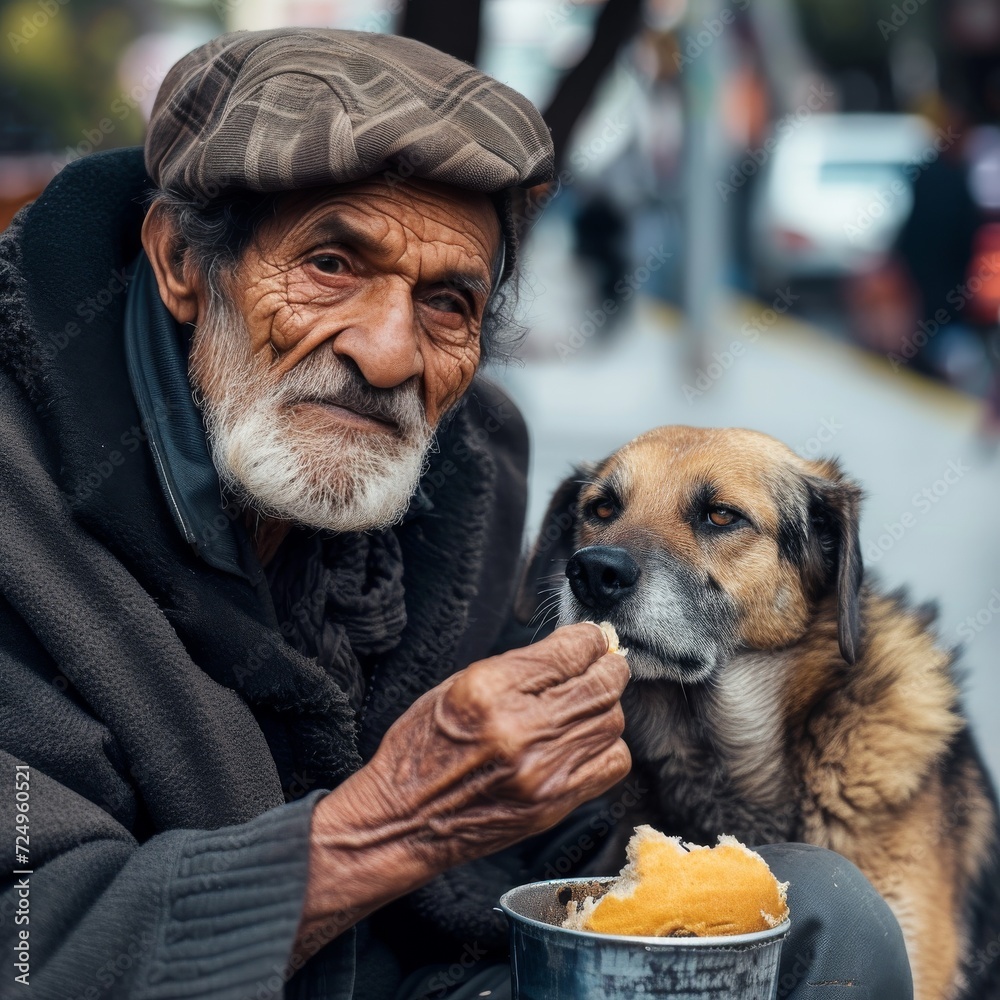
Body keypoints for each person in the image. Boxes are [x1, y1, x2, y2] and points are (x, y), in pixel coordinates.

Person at [0, 27, 912, 1000]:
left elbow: (545, 850)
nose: (389, 353)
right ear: (183, 261)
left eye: (446, 302)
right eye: (332, 265)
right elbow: (29, 946)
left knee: (808, 914)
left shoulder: (460, 467)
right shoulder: (26, 499)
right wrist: (388, 826)